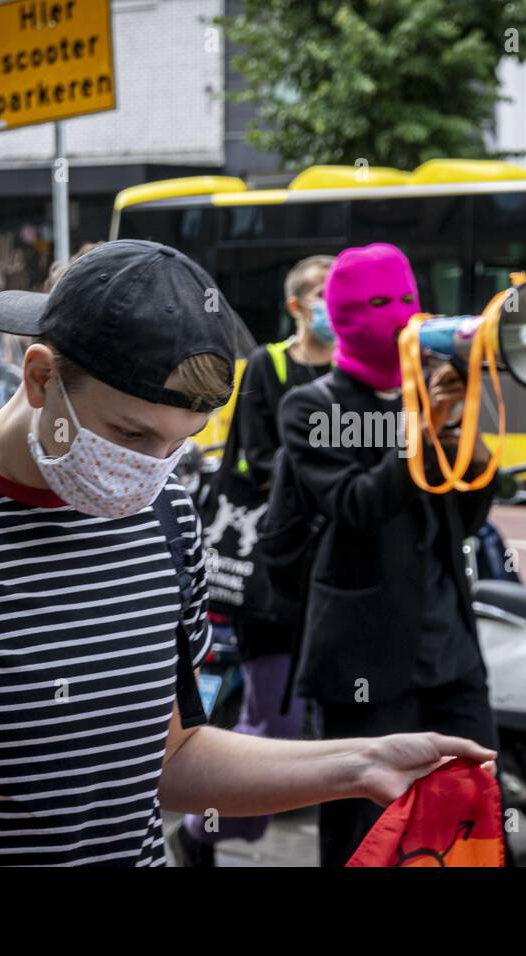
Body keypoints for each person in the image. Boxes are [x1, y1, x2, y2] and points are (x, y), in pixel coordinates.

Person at [0, 239, 494, 867]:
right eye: (133, 435)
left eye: (182, 443)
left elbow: (167, 757)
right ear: (40, 377)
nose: (153, 466)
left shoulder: (167, 512)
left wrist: (356, 764)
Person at [279, 242, 500, 867]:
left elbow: (466, 519)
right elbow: (355, 504)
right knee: (367, 830)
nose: (401, 315)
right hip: (366, 657)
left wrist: (468, 445)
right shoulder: (312, 405)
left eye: (408, 299)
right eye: (381, 303)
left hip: (451, 649)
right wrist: (421, 428)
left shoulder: (428, 391)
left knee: (468, 813)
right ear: (346, 315)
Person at [173, 254, 335, 866]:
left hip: (335, 581)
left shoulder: (359, 374)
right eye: (317, 292)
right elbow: (252, 460)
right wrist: (328, 485)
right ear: (295, 305)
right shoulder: (268, 365)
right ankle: (200, 832)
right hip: (277, 583)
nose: (329, 303)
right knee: (278, 727)